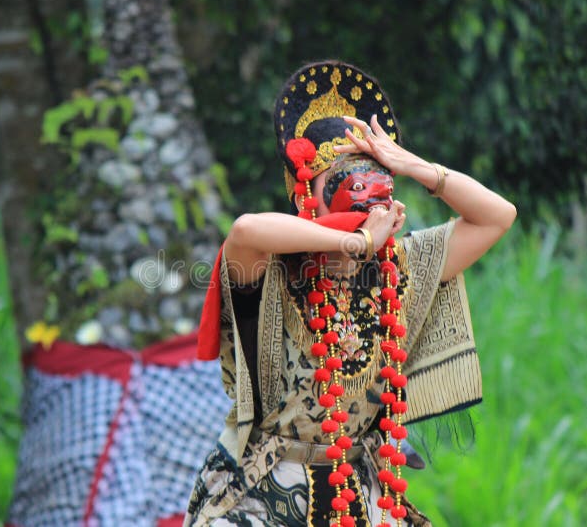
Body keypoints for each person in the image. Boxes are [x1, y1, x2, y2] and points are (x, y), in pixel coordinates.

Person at [187, 61, 516, 527]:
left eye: (374, 176)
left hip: (359, 493)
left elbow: (497, 217)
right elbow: (244, 231)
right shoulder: (273, 272)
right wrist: (355, 241)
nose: (366, 193)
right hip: (260, 493)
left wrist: (417, 168)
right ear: (308, 197)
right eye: (346, 180)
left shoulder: (403, 270)